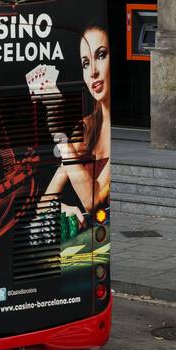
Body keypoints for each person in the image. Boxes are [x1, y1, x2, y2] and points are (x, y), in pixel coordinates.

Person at [32, 25, 112, 238]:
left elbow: (93, 200)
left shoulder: (119, 138)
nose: (93, 71)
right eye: (86, 63)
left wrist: (59, 133)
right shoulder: (85, 127)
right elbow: (43, 205)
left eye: (101, 55)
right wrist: (59, 208)